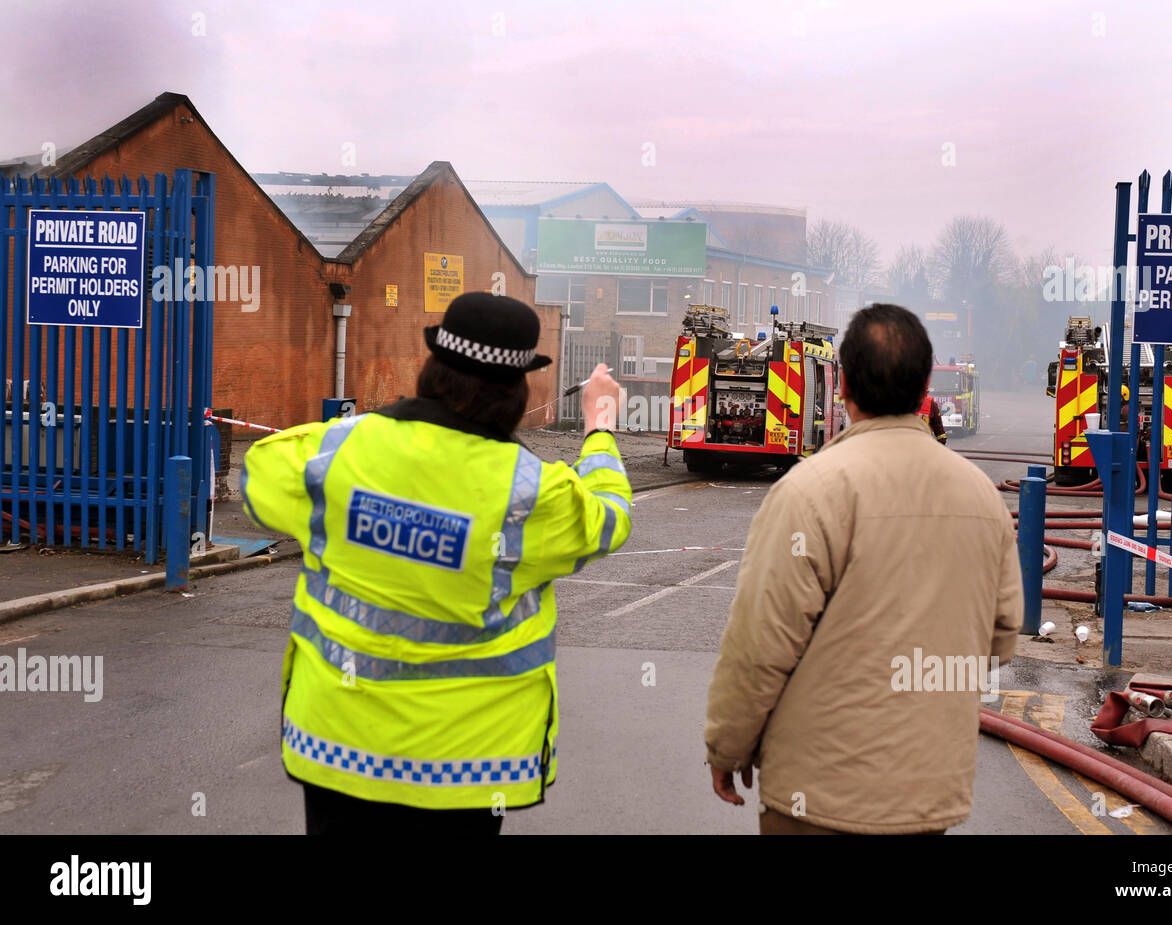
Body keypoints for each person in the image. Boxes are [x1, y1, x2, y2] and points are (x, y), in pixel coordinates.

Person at [242, 291, 632, 835]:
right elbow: (610, 517)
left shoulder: (337, 454)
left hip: (336, 748)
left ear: (432, 368)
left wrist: (383, 427)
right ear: (517, 390)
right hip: (466, 769)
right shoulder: (531, 494)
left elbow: (258, 476)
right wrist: (600, 424)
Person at [704, 303, 1022, 835]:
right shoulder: (982, 499)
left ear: (843, 384)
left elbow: (761, 643)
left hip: (817, 798)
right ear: (926, 388)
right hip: (927, 797)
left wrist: (726, 745)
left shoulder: (810, 491)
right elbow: (1003, 634)